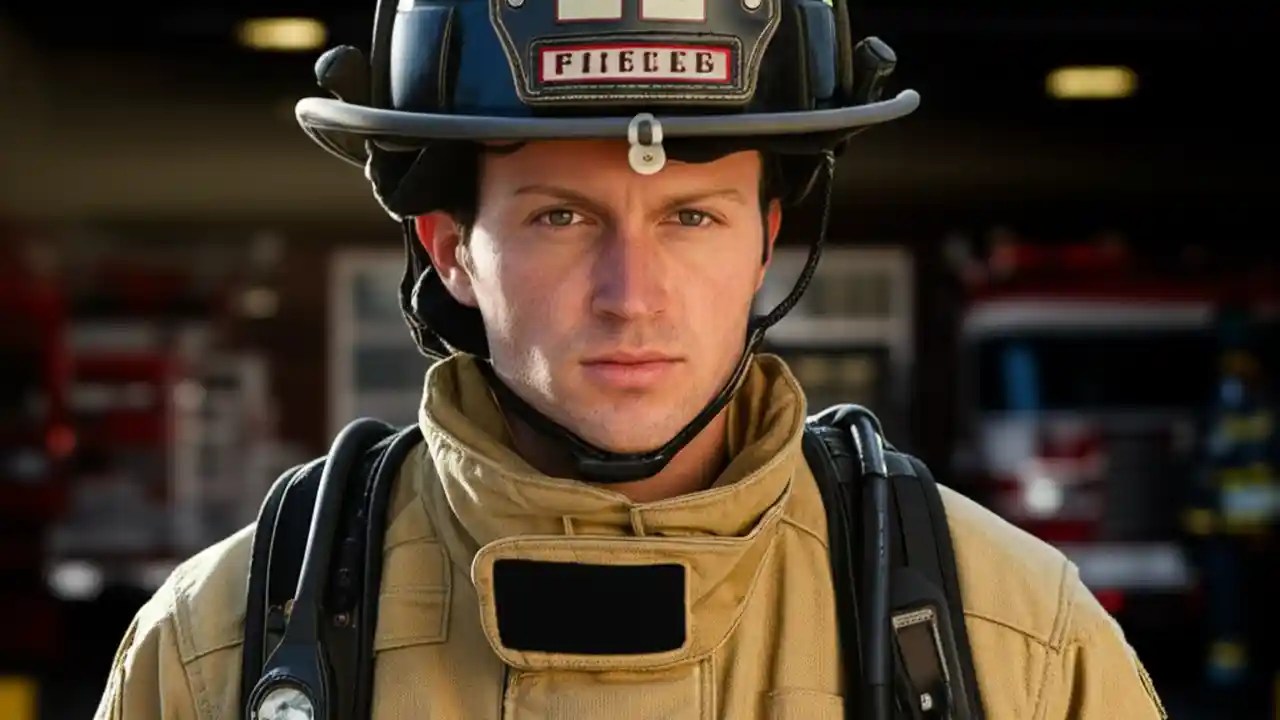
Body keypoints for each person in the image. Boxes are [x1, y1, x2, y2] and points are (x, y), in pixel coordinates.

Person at [94, 1, 1167, 718]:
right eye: (561, 216)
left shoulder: (1018, 643)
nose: (631, 295)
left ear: (765, 240)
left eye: (692, 218)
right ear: (450, 251)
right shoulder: (215, 649)